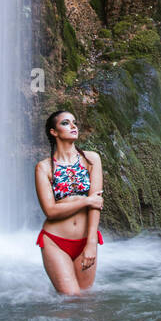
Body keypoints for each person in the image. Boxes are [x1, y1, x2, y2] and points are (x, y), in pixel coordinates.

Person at [35, 110, 103, 295]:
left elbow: (96, 206)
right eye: (65, 123)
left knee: (85, 301)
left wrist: (91, 243)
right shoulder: (44, 167)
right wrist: (86, 201)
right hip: (55, 242)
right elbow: (50, 211)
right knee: (71, 299)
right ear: (54, 132)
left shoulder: (92, 159)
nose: (73, 126)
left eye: (74, 122)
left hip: (86, 240)